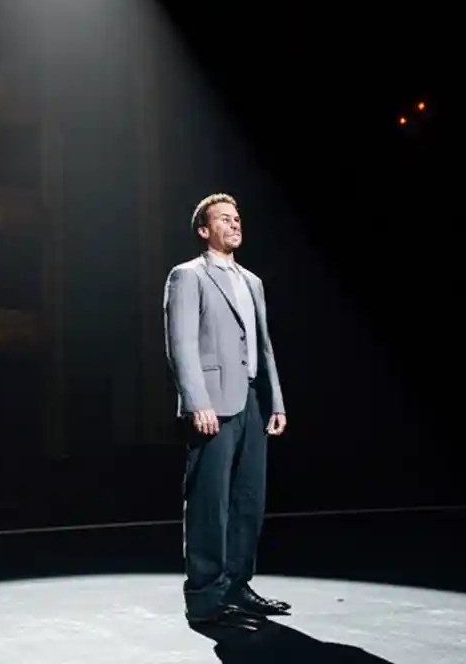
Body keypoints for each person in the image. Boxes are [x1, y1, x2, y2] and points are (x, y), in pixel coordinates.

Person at [163, 192, 290, 622]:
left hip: (253, 400)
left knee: (249, 501)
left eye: (237, 218)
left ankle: (237, 586)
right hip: (213, 404)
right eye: (224, 219)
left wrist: (276, 400)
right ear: (204, 230)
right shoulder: (188, 276)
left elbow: (265, 347)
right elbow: (180, 343)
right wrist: (196, 401)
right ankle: (204, 598)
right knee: (208, 503)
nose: (235, 224)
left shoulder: (251, 281)